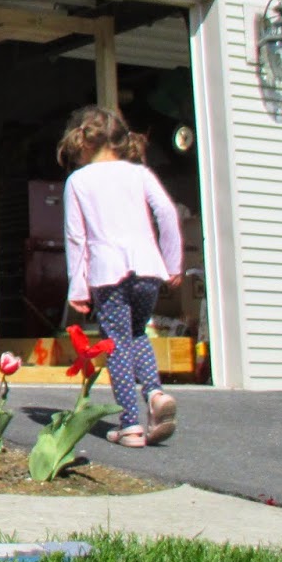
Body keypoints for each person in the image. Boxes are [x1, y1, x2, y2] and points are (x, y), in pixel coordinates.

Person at [58, 105, 183, 447]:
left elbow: (76, 237)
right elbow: (167, 214)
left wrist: (78, 286)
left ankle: (129, 425)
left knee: (116, 345)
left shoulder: (78, 181)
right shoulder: (139, 174)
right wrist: (172, 263)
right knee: (138, 333)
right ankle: (155, 394)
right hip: (148, 268)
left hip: (108, 271)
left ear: (82, 142)